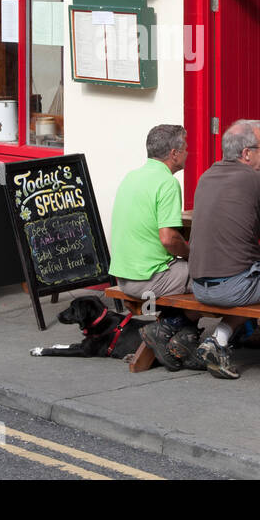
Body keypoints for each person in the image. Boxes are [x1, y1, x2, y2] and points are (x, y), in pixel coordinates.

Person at [187, 119, 260, 379]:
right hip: (236, 287)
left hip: (200, 287)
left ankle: (218, 338)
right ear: (246, 153)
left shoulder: (207, 175)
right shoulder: (256, 179)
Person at [109, 125, 196, 369]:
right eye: (185, 149)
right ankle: (173, 331)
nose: (188, 153)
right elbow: (169, 239)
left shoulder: (132, 176)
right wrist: (193, 255)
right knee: (213, 276)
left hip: (123, 276)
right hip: (147, 280)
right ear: (174, 153)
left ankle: (176, 336)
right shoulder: (167, 183)